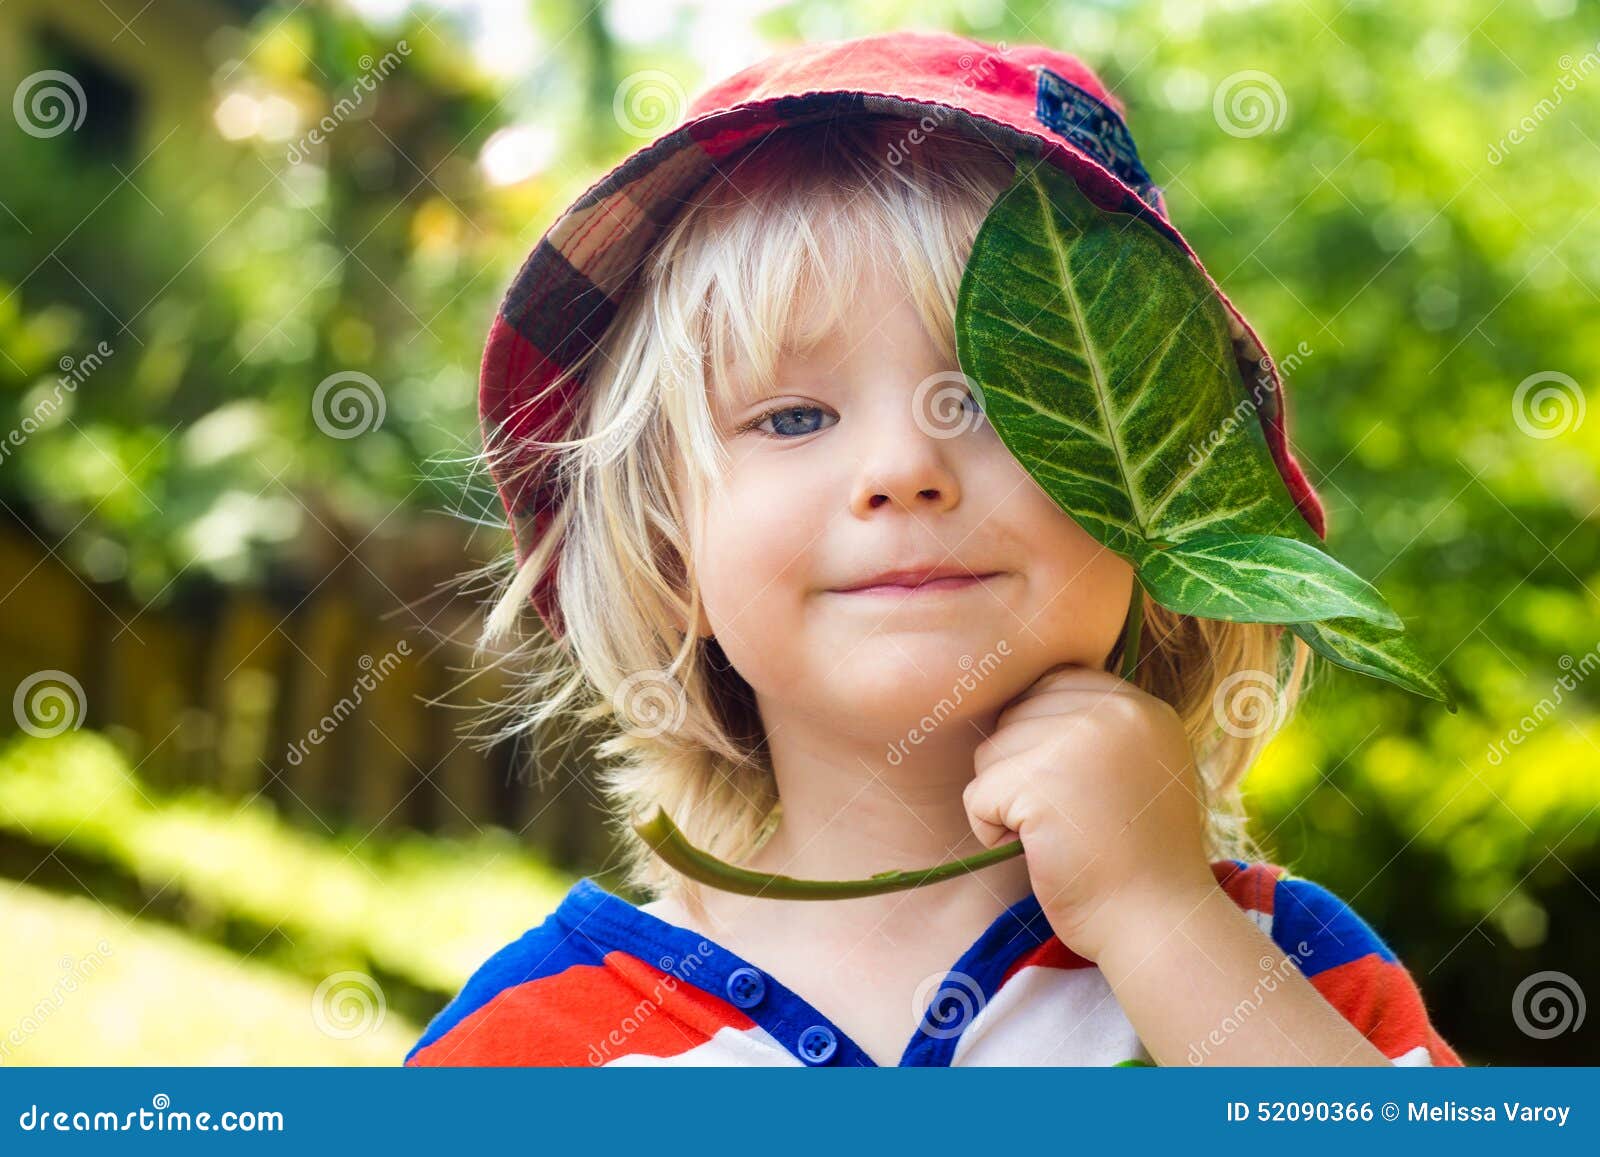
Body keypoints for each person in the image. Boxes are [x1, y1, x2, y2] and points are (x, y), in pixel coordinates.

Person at [405, 30, 1462, 1068]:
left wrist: (1160, 918)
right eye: (792, 417)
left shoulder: (1286, 975)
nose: (904, 466)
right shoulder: (533, 1048)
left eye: (993, 401)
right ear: (670, 553)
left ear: (1166, 504)